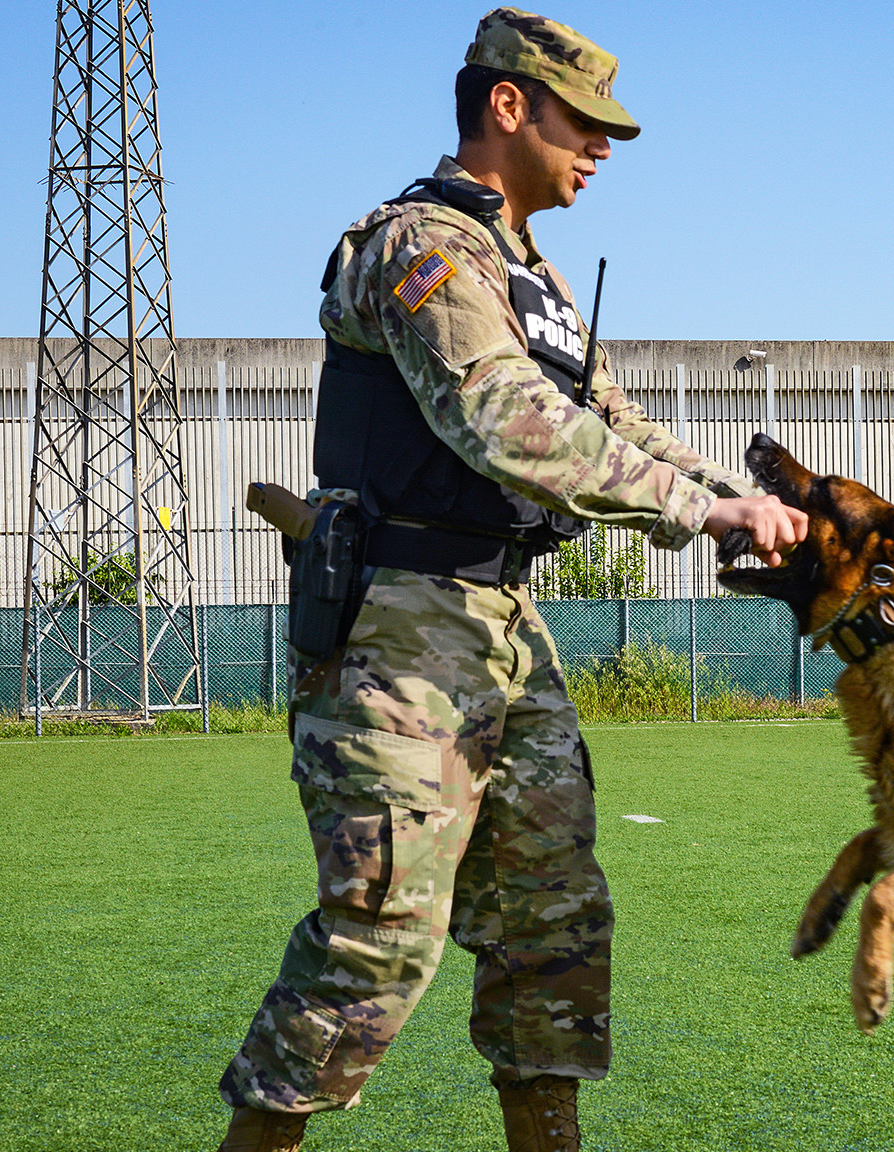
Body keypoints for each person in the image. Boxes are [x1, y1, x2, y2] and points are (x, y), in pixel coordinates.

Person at [216, 9, 806, 1151]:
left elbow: (604, 417)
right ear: (506, 105)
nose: (601, 150)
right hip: (398, 628)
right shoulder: (420, 246)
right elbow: (499, 416)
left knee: (552, 926)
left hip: (502, 625)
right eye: (584, 125)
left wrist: (741, 506)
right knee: (375, 936)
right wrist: (698, 508)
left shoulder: (533, 276)